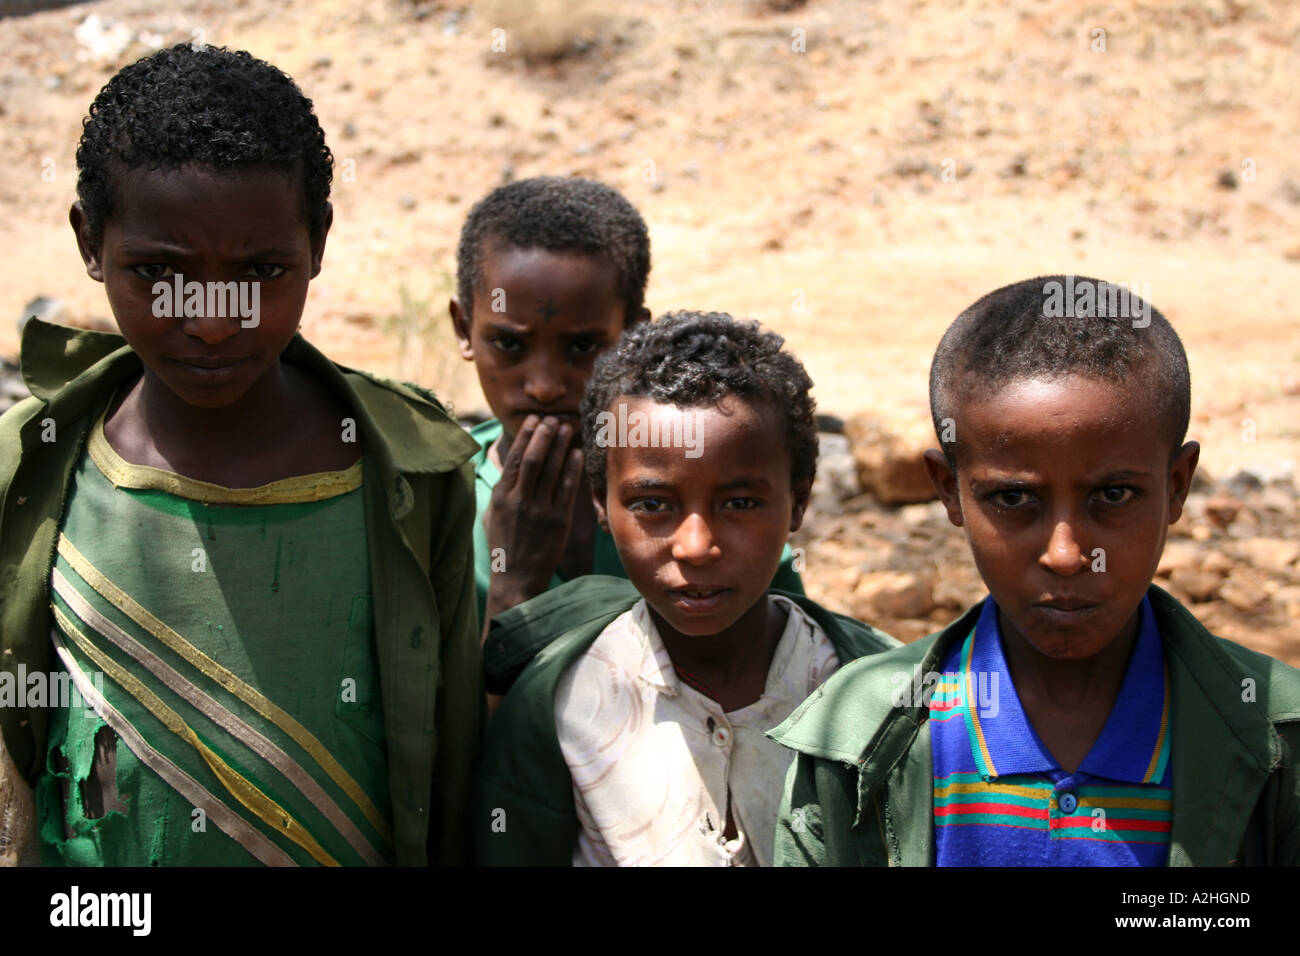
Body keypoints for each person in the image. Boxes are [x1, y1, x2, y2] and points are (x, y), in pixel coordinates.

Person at [0, 43, 481, 866]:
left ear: (319, 241)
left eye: (260, 272)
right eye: (159, 272)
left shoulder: (415, 468)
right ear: (89, 242)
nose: (216, 320)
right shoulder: (30, 467)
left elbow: (454, 756)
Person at [772, 276, 1300, 866]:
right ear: (949, 491)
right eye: (1014, 500)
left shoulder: (1275, 737)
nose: (1066, 554)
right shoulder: (860, 738)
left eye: (1115, 494)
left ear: (1177, 485)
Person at [473, 311, 896, 866]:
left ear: (799, 499)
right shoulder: (557, 698)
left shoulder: (877, 697)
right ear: (602, 503)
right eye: (653, 505)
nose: (695, 546)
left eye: (739, 503)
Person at [449, 178, 804, 646]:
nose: (544, 386)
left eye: (582, 347)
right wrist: (512, 589)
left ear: (634, 334)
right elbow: (429, 712)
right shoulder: (433, 507)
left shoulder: (706, 487)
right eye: (509, 344)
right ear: (462, 327)